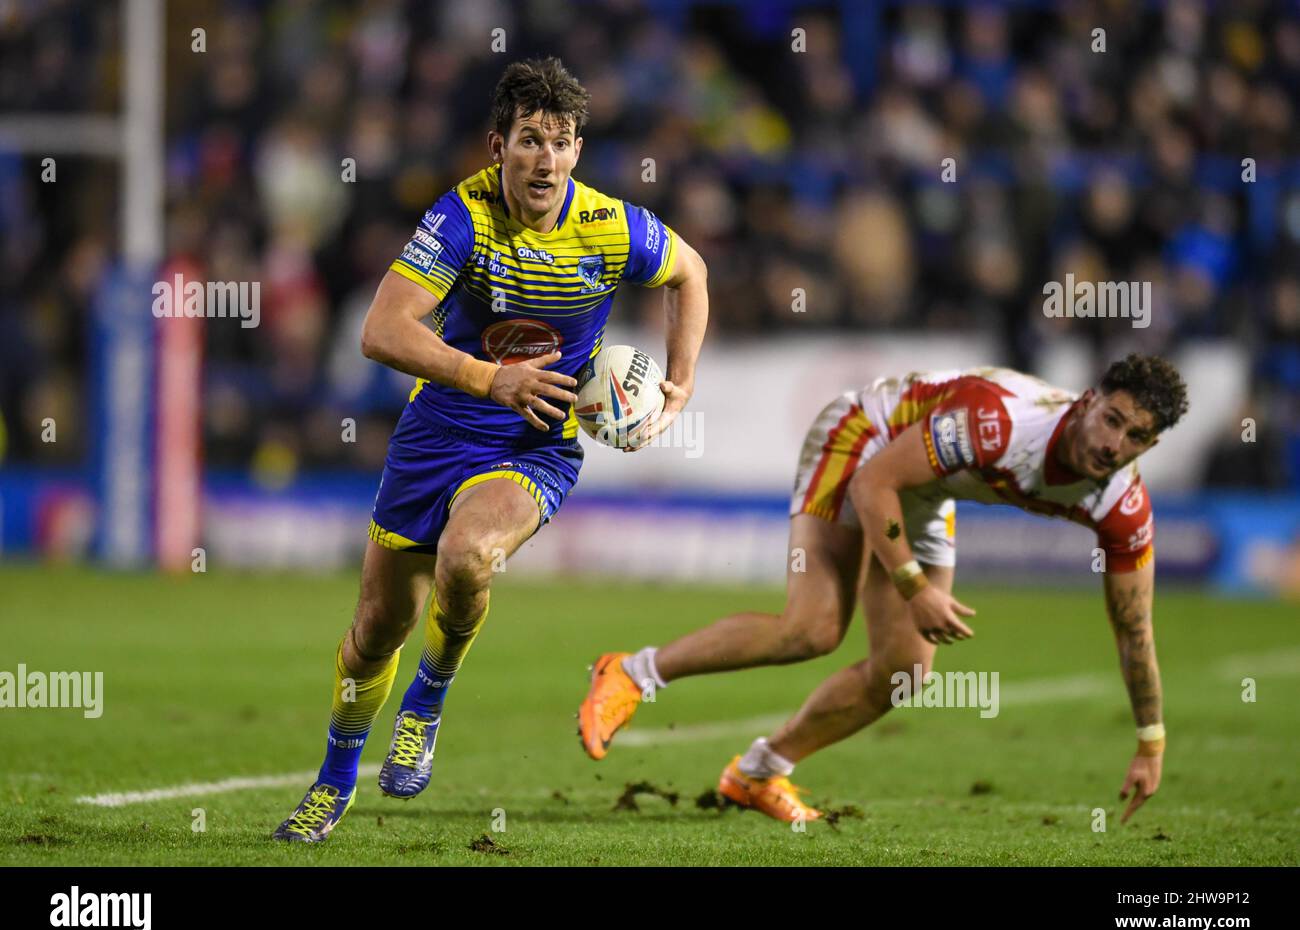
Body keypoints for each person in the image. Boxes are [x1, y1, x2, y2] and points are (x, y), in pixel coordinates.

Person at [274, 57, 708, 842]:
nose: (545, 159)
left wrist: (678, 384)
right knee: (376, 629)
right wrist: (489, 378)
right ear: (496, 145)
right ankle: (334, 780)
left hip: (533, 444)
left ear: (579, 151)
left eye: (562, 142)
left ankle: (428, 700)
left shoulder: (611, 227)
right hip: (438, 433)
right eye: (530, 140)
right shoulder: (460, 217)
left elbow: (691, 272)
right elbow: (382, 331)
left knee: (469, 557)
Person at [579, 356, 1186, 825]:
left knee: (905, 671)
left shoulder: (1123, 506)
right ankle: (632, 673)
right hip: (867, 440)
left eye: (1135, 437)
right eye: (1111, 419)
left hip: (925, 484)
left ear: (1149, 447)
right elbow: (874, 484)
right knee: (812, 628)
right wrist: (913, 585)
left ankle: (759, 772)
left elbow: (1134, 628)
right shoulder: (1002, 422)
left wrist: (1150, 742)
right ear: (1088, 402)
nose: (1113, 444)